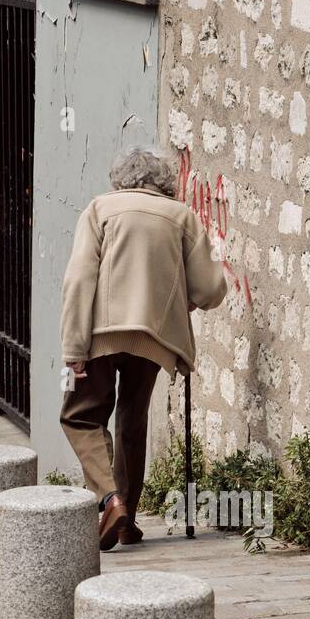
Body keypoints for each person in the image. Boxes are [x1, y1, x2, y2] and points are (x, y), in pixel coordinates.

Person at [59, 148, 227, 551]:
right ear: (164, 182)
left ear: (120, 179)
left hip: (101, 332)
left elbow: (79, 278)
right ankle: (126, 522)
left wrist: (74, 346)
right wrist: (183, 299)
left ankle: (108, 499)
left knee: (81, 416)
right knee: (132, 424)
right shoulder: (182, 217)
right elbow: (211, 288)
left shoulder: (99, 210)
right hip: (154, 338)